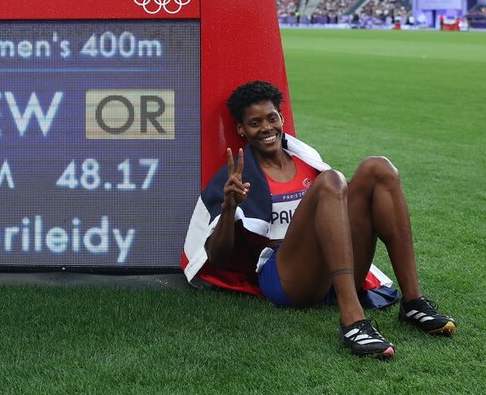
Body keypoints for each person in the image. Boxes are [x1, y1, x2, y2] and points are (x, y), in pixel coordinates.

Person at [182, 80, 455, 359]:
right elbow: (217, 257)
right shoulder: (238, 177)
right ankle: (352, 320)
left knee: (379, 168)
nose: (266, 128)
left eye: (271, 118)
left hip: (331, 270)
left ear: (282, 118)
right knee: (331, 181)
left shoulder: (306, 160)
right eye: (254, 123)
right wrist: (229, 207)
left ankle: (413, 302)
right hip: (286, 277)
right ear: (241, 129)